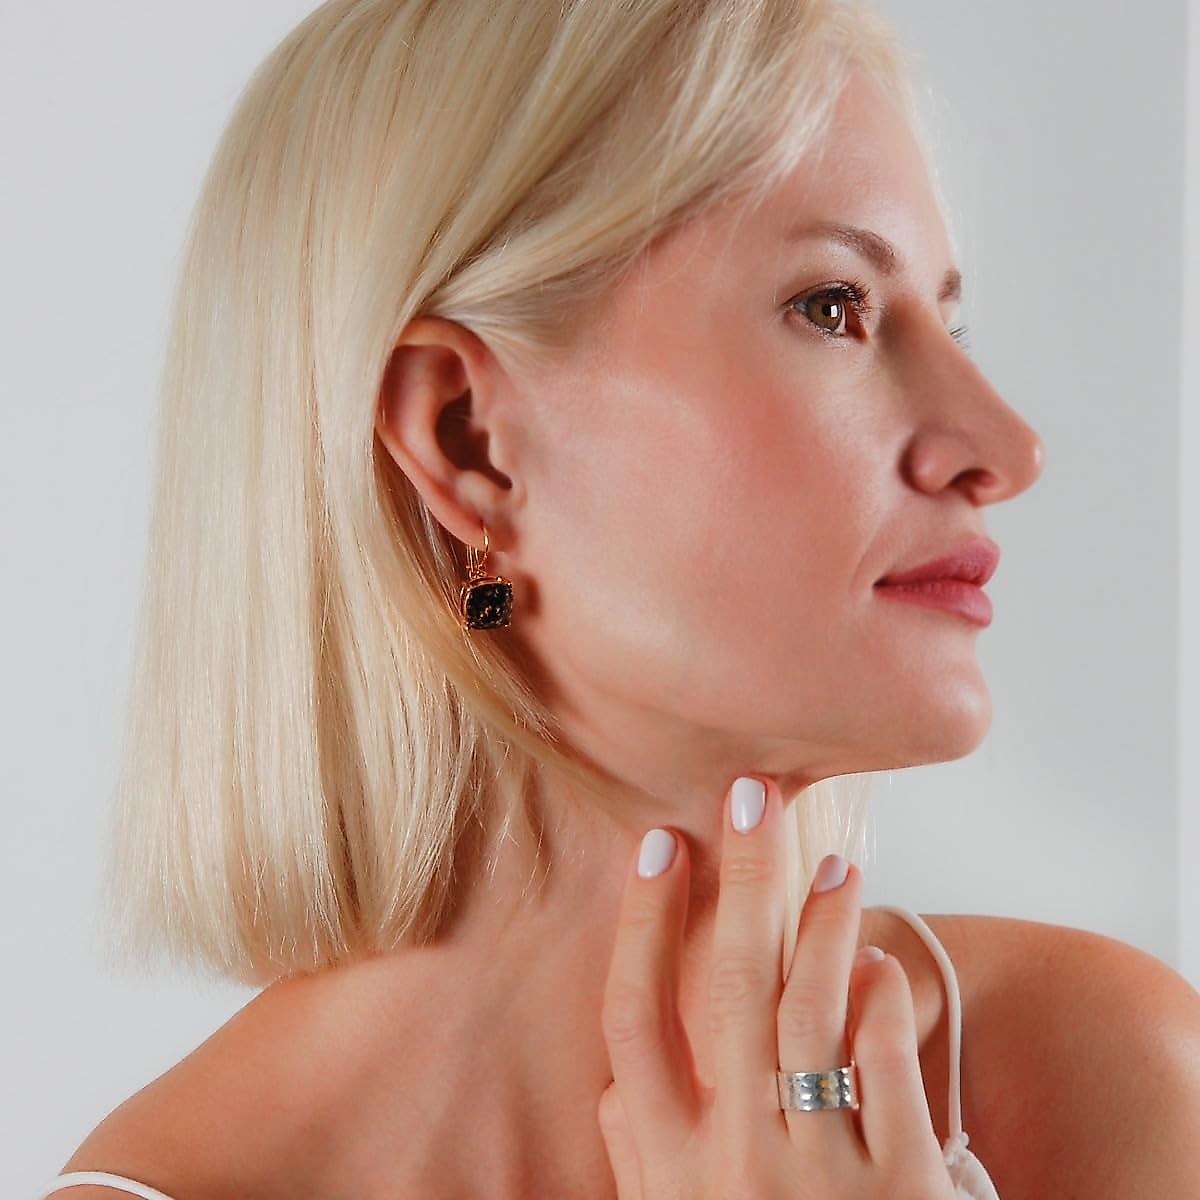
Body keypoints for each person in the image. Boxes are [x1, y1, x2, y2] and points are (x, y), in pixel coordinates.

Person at [43, 0, 1200, 1197]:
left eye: (950, 324)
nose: (1006, 447)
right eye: (833, 306)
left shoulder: (1098, 1082)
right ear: (469, 440)